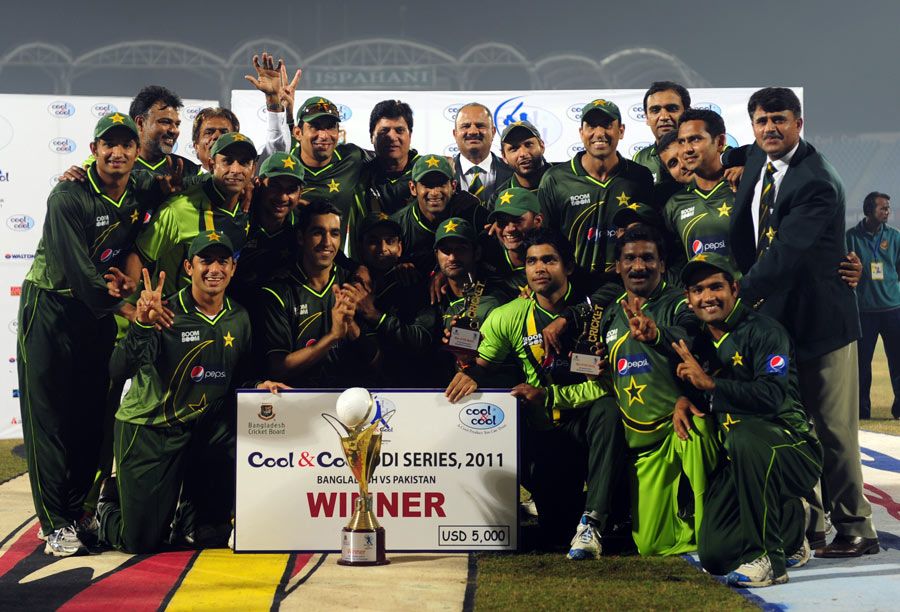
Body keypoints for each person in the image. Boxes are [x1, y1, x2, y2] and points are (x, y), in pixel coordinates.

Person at [727, 87, 877, 556]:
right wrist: (733, 163)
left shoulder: (816, 180)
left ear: (800, 122)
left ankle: (856, 527)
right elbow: (736, 160)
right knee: (796, 426)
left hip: (822, 324)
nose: (770, 128)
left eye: (780, 119)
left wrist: (738, 297)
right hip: (780, 321)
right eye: (761, 120)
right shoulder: (755, 157)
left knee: (834, 430)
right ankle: (810, 525)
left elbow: (786, 253)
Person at [17, 113, 172, 556]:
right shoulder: (68, 195)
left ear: (135, 151)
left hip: (96, 315)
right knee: (48, 419)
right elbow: (81, 277)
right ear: (93, 150)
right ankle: (54, 523)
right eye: (108, 145)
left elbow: (179, 177)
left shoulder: (141, 185)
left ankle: (78, 510)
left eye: (125, 145)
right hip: (51, 306)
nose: (117, 153)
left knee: (90, 416)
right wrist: (133, 309)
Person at [97, 231, 287, 553]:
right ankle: (109, 506)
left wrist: (258, 385)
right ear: (188, 267)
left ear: (233, 268)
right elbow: (118, 370)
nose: (215, 269)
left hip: (202, 430)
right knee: (140, 541)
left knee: (242, 425)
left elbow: (239, 376)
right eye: (205, 260)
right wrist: (142, 324)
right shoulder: (164, 312)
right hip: (151, 428)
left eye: (223, 261)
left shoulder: (239, 317)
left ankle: (192, 514)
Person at [444, 228, 625, 558]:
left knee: (609, 409)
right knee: (555, 532)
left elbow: (608, 384)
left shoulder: (597, 314)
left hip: (585, 425)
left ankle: (594, 519)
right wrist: (468, 370)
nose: (539, 268)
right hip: (544, 434)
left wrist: (552, 397)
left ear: (568, 267)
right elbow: (482, 364)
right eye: (531, 261)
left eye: (549, 260)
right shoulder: (508, 315)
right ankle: (495, 514)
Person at [674, 252, 822, 587]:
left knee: (744, 438)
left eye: (716, 287)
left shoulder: (767, 332)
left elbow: (771, 396)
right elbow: (681, 356)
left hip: (793, 448)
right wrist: (684, 397)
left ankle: (770, 559)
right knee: (714, 556)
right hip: (741, 457)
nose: (707, 296)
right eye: (698, 290)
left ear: (735, 289)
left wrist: (711, 384)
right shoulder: (700, 337)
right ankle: (791, 526)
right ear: (689, 298)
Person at [598, 225, 718, 556]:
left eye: (648, 258)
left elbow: (689, 335)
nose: (639, 266)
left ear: (662, 264)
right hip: (644, 444)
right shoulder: (611, 313)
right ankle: (695, 529)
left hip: (683, 426)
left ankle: (724, 530)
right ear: (618, 265)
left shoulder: (679, 303)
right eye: (630, 259)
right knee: (651, 545)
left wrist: (655, 336)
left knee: (698, 429)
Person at [538, 98, 655, 299]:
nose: (599, 133)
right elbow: (545, 240)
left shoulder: (640, 176)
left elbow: (651, 236)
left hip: (626, 286)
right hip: (572, 288)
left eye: (608, 125)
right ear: (581, 132)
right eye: (591, 126)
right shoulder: (555, 179)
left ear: (622, 131)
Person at [255, 201, 377, 387]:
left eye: (334, 233)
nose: (327, 242)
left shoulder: (354, 285)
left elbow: (376, 362)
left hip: (349, 399)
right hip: (297, 402)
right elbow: (278, 369)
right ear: (301, 237)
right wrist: (333, 336)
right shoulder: (277, 292)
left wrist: (350, 324)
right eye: (318, 232)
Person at [127, 132, 257, 296]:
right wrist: (131, 302)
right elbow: (138, 254)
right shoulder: (179, 209)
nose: (236, 170)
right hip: (175, 315)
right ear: (211, 165)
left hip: (218, 312)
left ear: (253, 169)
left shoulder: (251, 203)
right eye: (227, 161)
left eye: (244, 163)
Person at [345, 211, 438, 387]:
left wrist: (375, 315)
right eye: (373, 241)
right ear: (360, 247)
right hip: (351, 386)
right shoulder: (347, 280)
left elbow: (422, 339)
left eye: (390, 241)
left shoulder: (414, 282)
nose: (383, 248)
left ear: (400, 247)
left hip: (405, 388)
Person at [663, 109, 734, 280]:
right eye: (681, 142)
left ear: (720, 142)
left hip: (747, 301)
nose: (687, 149)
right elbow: (672, 263)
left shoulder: (744, 187)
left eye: (695, 139)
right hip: (700, 303)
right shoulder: (674, 205)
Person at [846, 191, 900, 419]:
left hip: (893, 309)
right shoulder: (851, 237)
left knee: (898, 361)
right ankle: (861, 410)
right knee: (862, 366)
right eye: (882, 208)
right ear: (869, 210)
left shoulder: (895, 237)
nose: (887, 211)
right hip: (864, 310)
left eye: (888, 208)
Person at [391, 155, 487, 275]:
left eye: (441, 184)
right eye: (427, 185)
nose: (435, 192)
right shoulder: (397, 225)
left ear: (453, 186)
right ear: (413, 188)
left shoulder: (472, 213)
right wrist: (397, 267)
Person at [230, 151, 305, 303]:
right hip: (233, 313)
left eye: (291, 190)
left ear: (300, 194)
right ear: (258, 183)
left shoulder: (302, 225)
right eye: (275, 186)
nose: (283, 197)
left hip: (278, 315)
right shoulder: (238, 213)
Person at [481, 187, 544, 300]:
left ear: (537, 221)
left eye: (517, 220)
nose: (510, 229)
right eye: (502, 222)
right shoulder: (485, 247)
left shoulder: (552, 252)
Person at [129, 85, 200, 176]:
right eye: (165, 122)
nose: (174, 130)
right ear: (140, 123)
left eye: (177, 124)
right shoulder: (118, 167)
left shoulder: (191, 171)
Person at [364, 99, 419, 214]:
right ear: (371, 136)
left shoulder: (427, 172)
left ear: (410, 135)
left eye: (399, 130)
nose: (392, 137)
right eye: (384, 131)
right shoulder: (360, 173)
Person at [452, 102, 514, 204]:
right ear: (455, 134)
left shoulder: (513, 172)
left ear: (493, 132)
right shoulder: (444, 175)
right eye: (465, 126)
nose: (473, 131)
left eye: (480, 125)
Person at [632, 81, 691, 185]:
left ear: (687, 112)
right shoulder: (640, 158)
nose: (664, 117)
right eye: (655, 110)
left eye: (672, 109)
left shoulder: (705, 151)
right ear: (646, 118)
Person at [492, 120, 552, 199]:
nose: (523, 154)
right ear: (504, 157)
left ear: (542, 146)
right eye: (514, 149)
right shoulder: (498, 198)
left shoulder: (568, 178)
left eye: (528, 144)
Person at [191, 107, 240, 173]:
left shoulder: (251, 182)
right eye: (209, 133)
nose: (217, 136)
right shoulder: (181, 181)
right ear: (196, 146)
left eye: (224, 133)